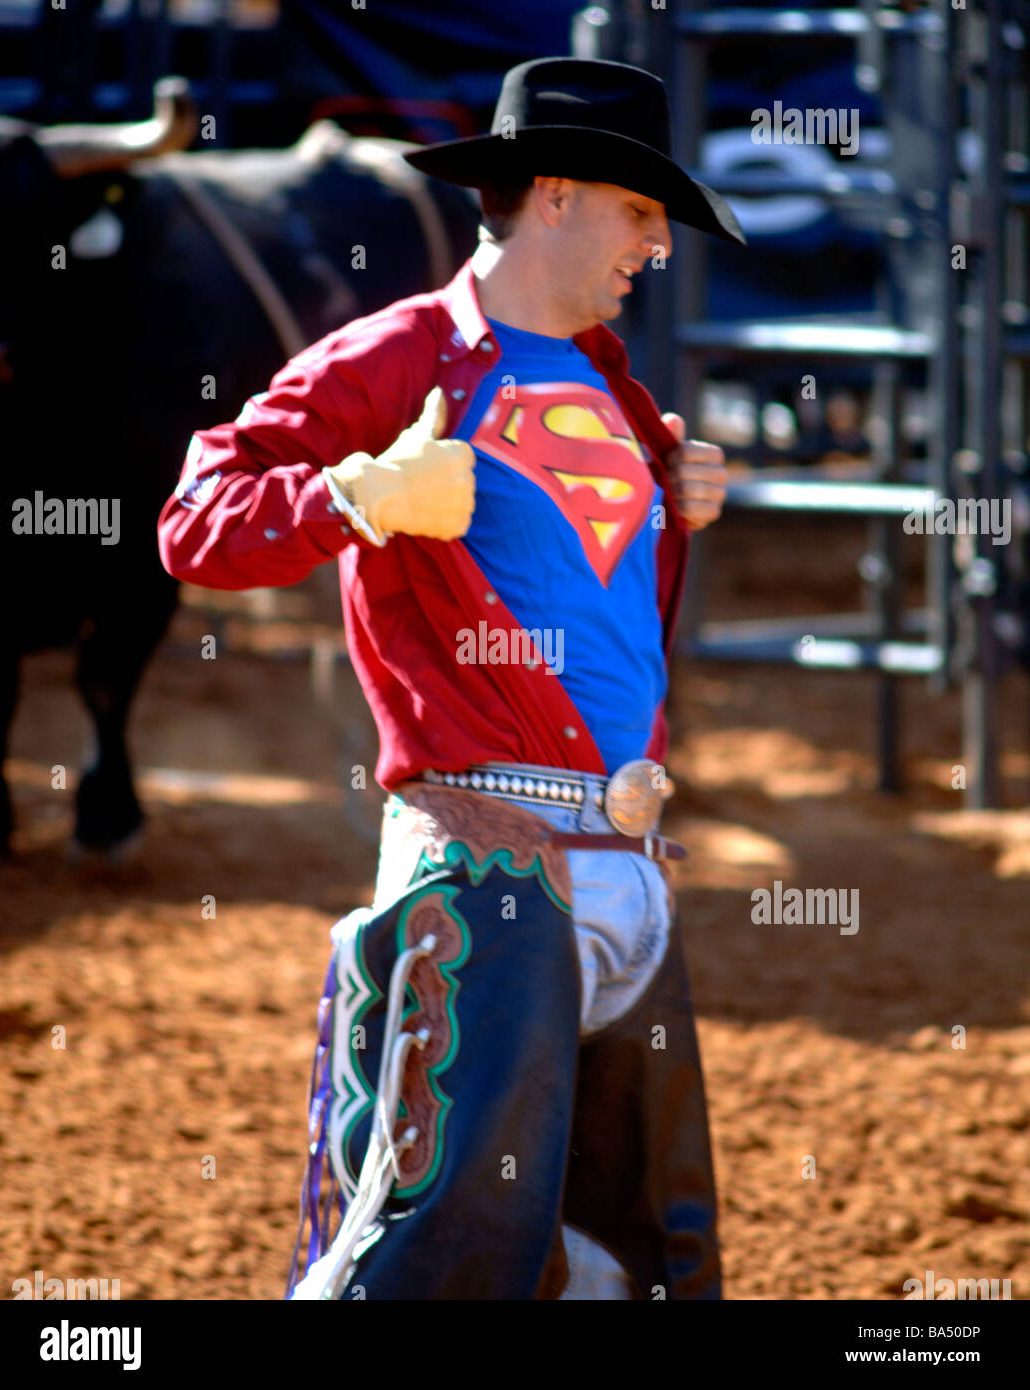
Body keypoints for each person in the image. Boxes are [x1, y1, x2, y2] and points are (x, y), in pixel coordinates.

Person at [157, 56, 745, 1300]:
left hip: (628, 861)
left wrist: (675, 504)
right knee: (441, 1258)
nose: (655, 244)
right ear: (557, 193)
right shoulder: (402, 353)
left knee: (649, 1264)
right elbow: (197, 522)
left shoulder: (620, 390)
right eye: (641, 212)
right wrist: (356, 495)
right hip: (488, 870)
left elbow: (584, 599)